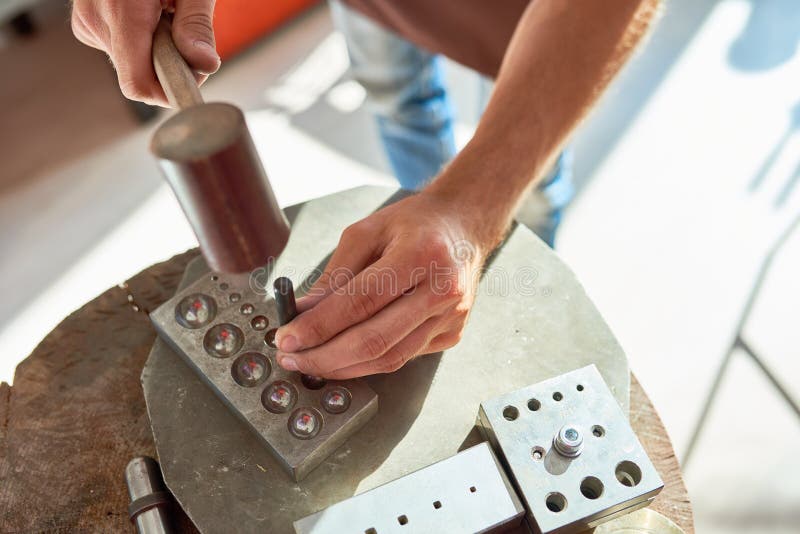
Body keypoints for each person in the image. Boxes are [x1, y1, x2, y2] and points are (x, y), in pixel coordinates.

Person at [72, 0, 659, 379]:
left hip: (538, 21)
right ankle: (422, 246)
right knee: (398, 103)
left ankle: (505, 290)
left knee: (529, 191)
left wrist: (472, 208)